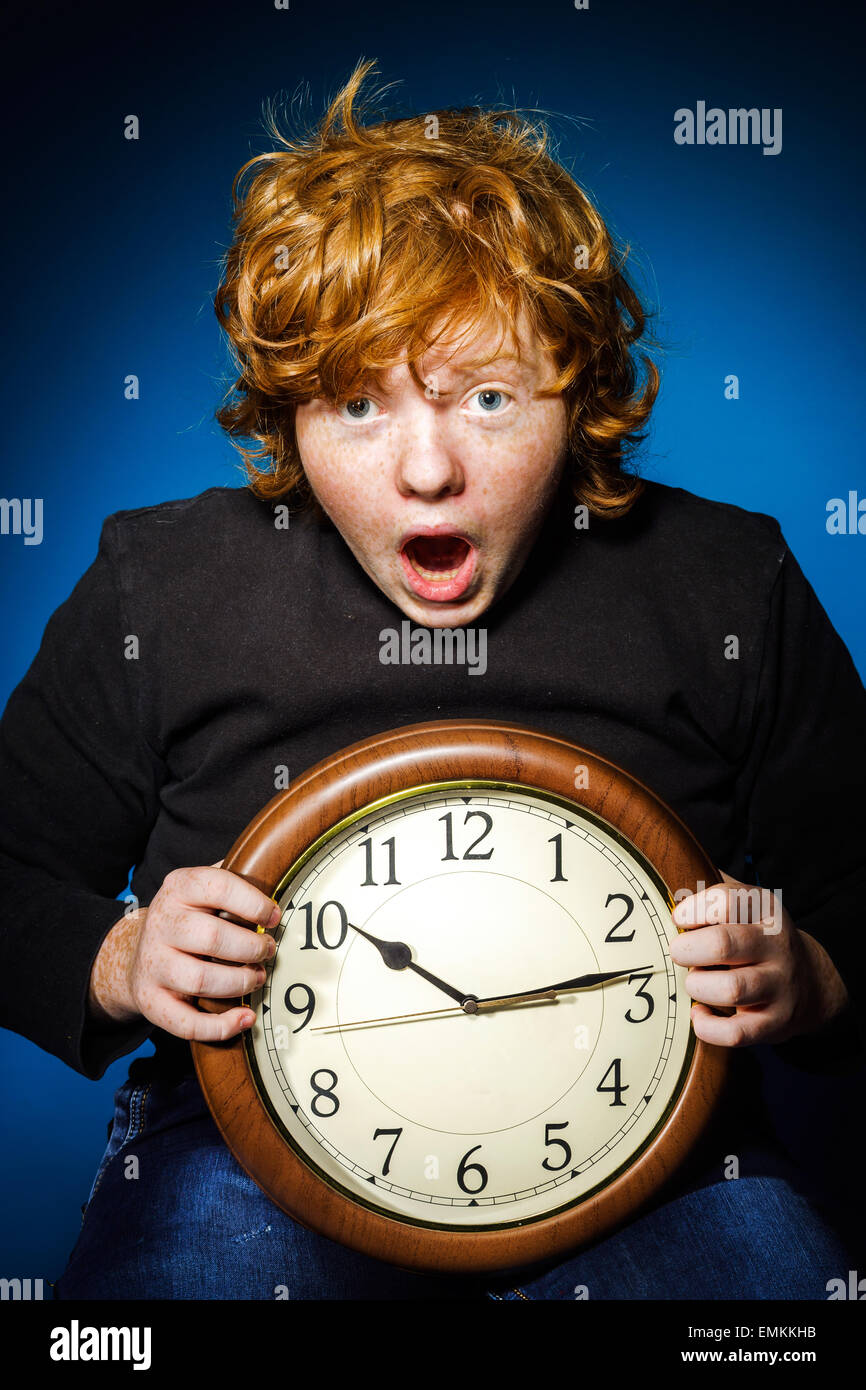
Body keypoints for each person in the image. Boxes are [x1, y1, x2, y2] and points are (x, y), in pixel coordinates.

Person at [1, 59, 863, 1301]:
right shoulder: (163, 582)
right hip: (240, 1164)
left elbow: (857, 894)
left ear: (580, 401)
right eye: (356, 402)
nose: (425, 472)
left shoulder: (727, 582)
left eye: (490, 398)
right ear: (287, 411)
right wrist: (122, 955)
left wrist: (810, 972)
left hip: (667, 1173)